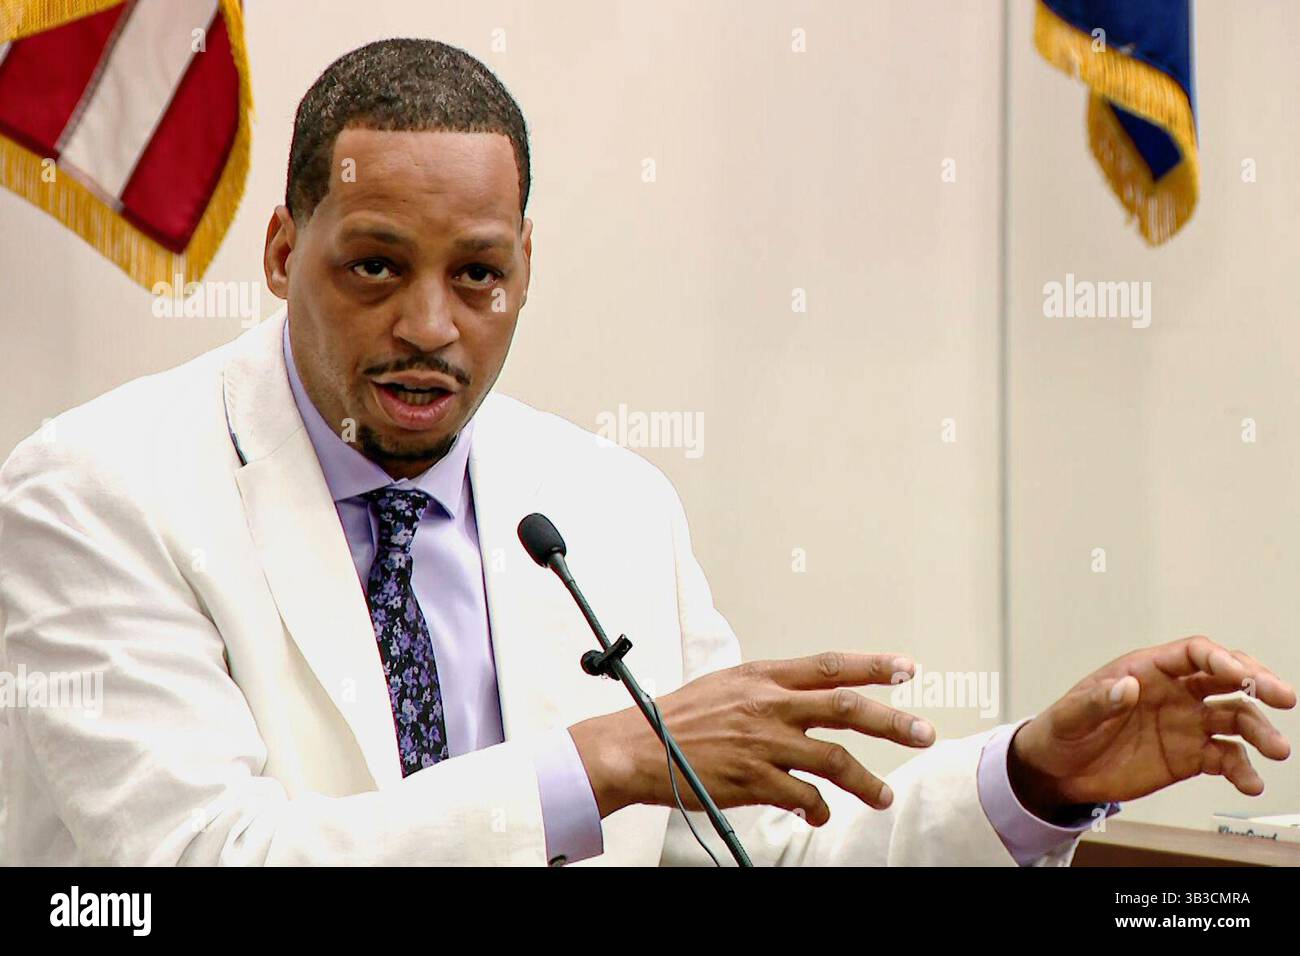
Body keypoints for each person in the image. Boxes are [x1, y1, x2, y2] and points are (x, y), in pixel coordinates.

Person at [0, 39, 1292, 866]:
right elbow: (192, 865)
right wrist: (600, 758)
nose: (429, 327)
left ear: (525, 270)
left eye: (480, 276)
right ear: (286, 254)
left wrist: (1034, 778)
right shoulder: (98, 489)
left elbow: (752, 853)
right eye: (374, 267)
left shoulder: (602, 501)